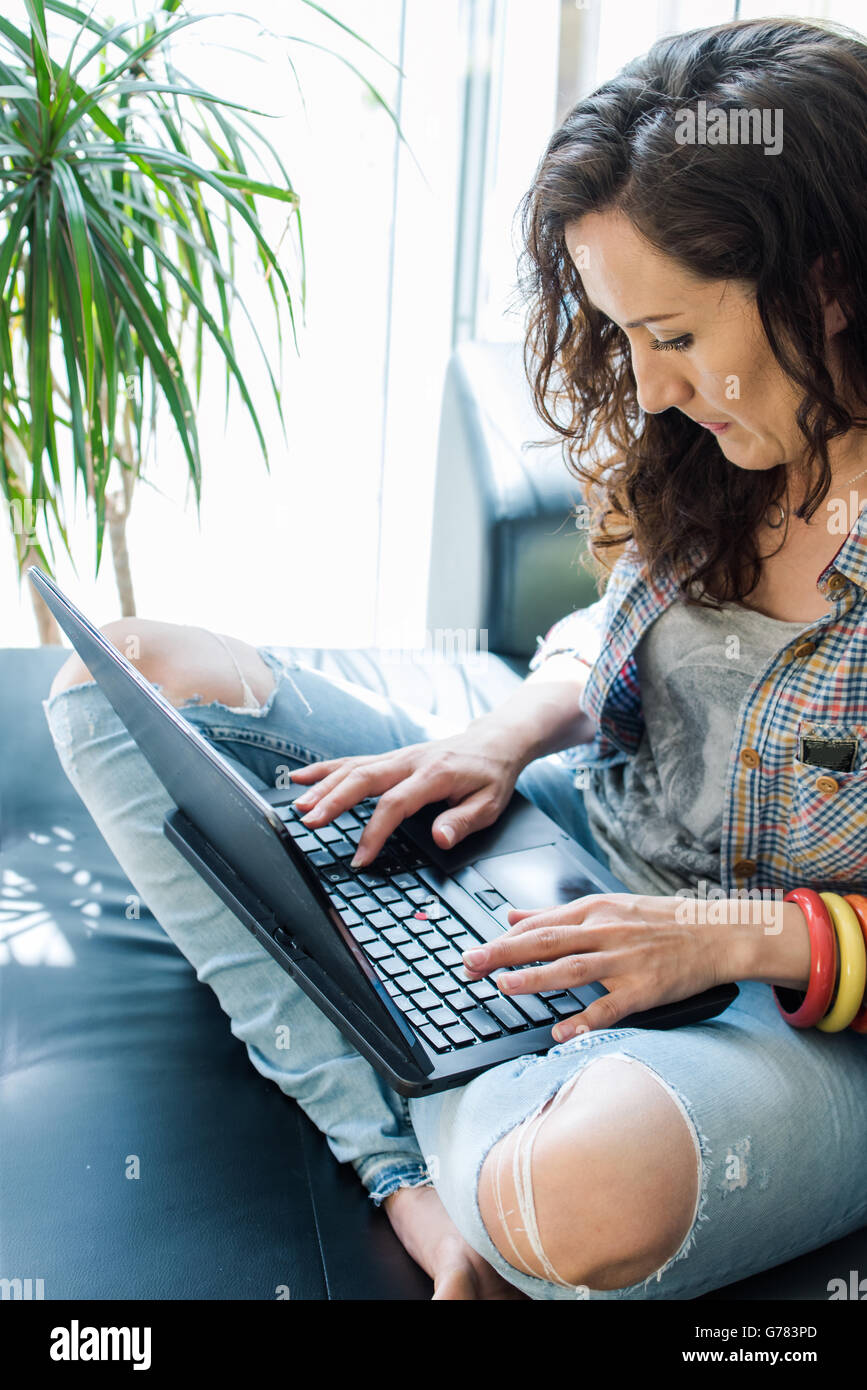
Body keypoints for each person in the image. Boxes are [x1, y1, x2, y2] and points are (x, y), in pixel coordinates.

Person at [44, 16, 867, 1299]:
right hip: (578, 846)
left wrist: (721, 937)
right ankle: (412, 1170)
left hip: (784, 1011)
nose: (647, 389)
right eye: (624, 335)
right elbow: (619, 637)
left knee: (575, 1197)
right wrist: (503, 735)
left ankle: (407, 1084)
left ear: (830, 284)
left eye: (678, 334)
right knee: (118, 680)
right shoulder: (718, 439)